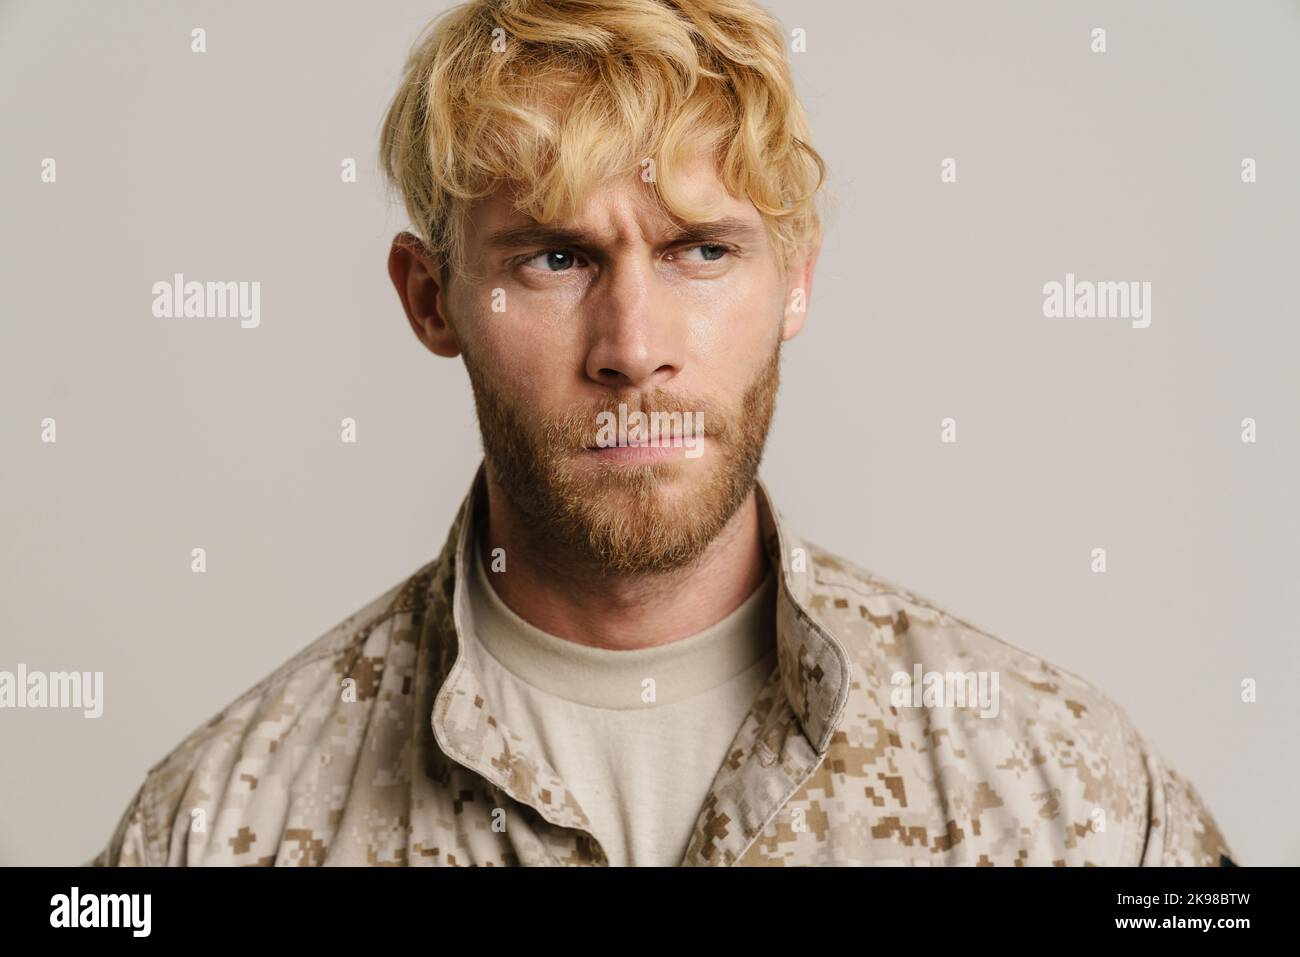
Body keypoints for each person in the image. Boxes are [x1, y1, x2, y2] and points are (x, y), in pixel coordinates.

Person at [93, 0, 1233, 866]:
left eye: (700, 250)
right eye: (555, 257)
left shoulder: (1072, 796)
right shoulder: (215, 826)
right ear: (429, 299)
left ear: (795, 280)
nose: (633, 348)